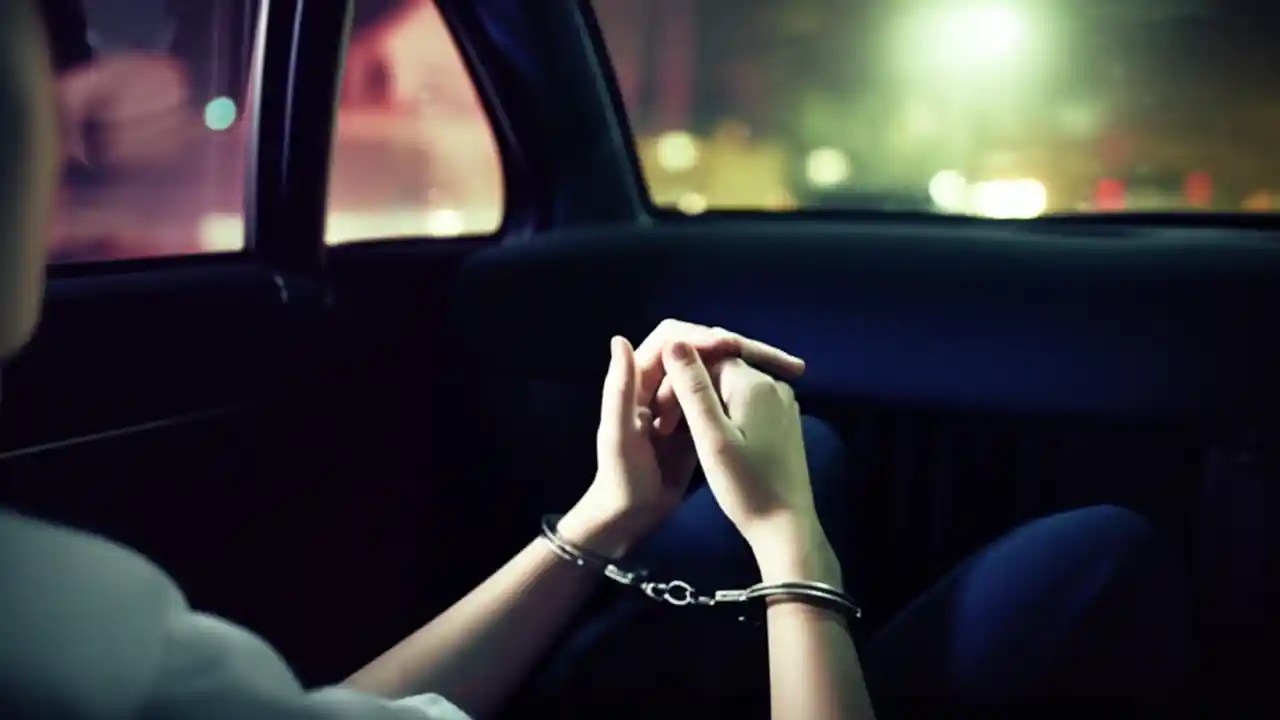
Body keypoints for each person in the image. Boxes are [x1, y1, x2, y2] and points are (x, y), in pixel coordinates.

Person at [1, 3, 1194, 718]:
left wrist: (605, 514)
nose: (70, 109)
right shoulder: (51, 617)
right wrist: (792, 548)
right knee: (1090, 560)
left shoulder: (73, 629)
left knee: (799, 468)